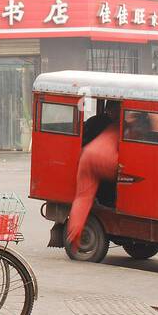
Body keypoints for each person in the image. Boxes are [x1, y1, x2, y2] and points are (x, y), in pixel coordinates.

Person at [66, 103, 120, 251]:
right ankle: (111, 203)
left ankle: (73, 236)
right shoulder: (119, 126)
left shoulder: (93, 121)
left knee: (82, 198)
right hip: (105, 159)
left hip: (86, 155)